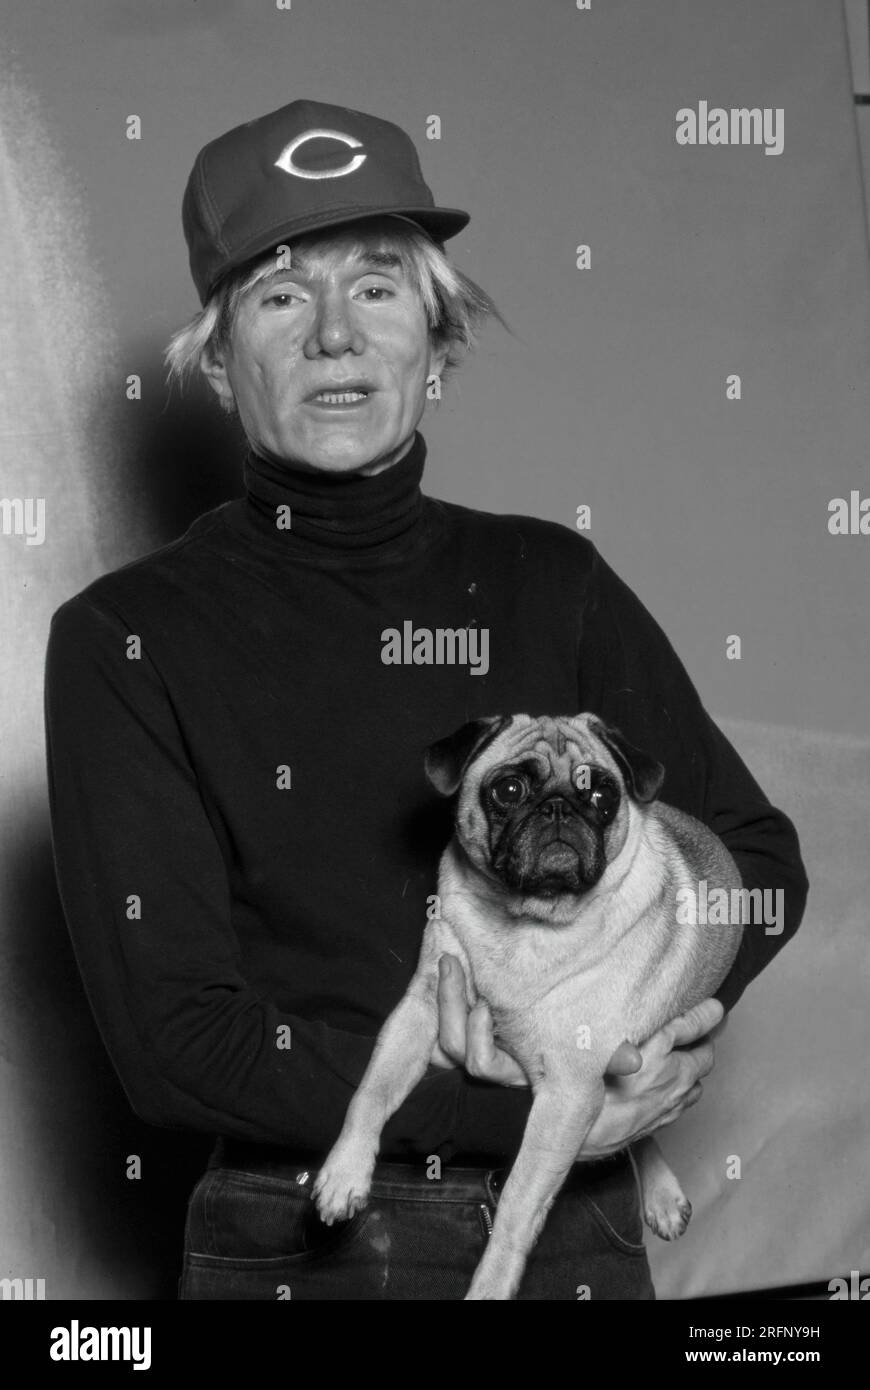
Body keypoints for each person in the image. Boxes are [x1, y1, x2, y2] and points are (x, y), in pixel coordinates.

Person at [43, 99, 809, 1301]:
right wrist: (541, 1109)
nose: (335, 336)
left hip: (574, 1240)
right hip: (304, 1238)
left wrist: (647, 1010)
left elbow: (756, 859)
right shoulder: (124, 640)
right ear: (218, 360)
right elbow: (175, 1048)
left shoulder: (554, 579)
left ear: (438, 344)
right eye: (282, 296)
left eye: (381, 289)